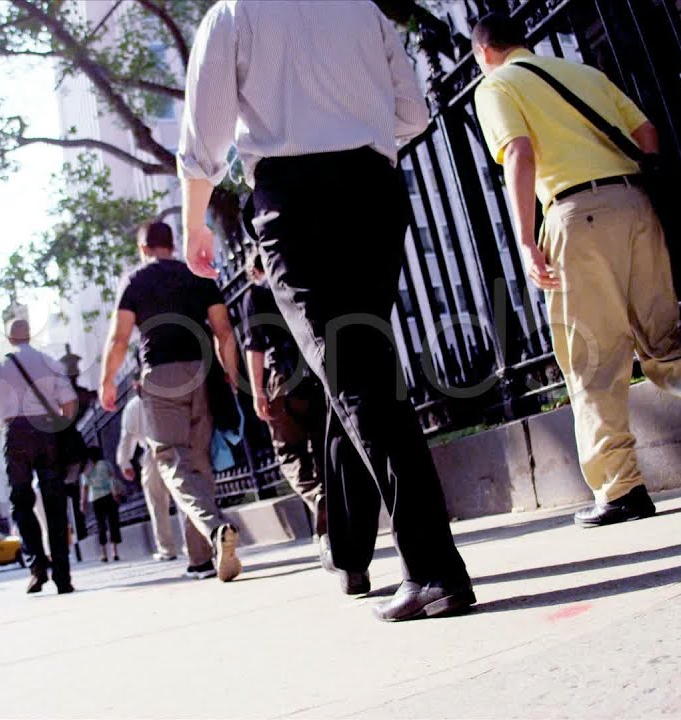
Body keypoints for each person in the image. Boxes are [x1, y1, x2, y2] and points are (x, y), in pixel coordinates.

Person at [178, 0, 473, 621]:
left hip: (296, 202)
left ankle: (435, 569)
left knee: (356, 375)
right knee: (356, 367)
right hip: (375, 192)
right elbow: (414, 113)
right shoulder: (362, 9)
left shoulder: (233, 15)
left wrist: (194, 224)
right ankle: (349, 549)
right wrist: (353, 136)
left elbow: (203, 135)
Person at [469, 14, 681, 527]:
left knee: (593, 358)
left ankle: (620, 489)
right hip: (637, 206)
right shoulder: (581, 74)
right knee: (663, 340)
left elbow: (521, 153)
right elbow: (646, 133)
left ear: (484, 52)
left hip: (576, 215)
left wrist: (527, 241)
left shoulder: (496, 85)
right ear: (522, 40)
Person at [100, 221, 243, 582]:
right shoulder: (198, 275)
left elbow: (119, 338)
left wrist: (106, 381)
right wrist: (231, 373)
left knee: (168, 460)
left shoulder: (135, 281)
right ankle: (201, 560)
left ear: (144, 249)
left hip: (161, 375)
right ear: (171, 244)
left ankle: (214, 528)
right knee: (199, 463)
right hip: (202, 372)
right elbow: (224, 330)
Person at [0, 317, 80, 594]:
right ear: (30, 336)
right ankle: (63, 576)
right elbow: (69, 401)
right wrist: (62, 425)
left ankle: (37, 569)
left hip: (17, 433)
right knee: (54, 504)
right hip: (47, 431)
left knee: (21, 502)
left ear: (10, 339)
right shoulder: (49, 362)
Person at [241, 252, 330, 564]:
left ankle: (314, 495)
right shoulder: (295, 281)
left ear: (254, 271)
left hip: (282, 378)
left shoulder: (254, 295)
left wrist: (256, 392)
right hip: (314, 373)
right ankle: (332, 521)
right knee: (323, 448)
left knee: (289, 452)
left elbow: (254, 346)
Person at [116, 376, 215, 575]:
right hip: (175, 448)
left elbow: (127, 437)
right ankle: (192, 545)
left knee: (157, 504)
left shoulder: (133, 407)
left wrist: (124, 462)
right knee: (184, 498)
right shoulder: (166, 398)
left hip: (151, 454)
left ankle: (166, 548)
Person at [79, 447, 124, 562]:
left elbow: (85, 487)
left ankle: (103, 553)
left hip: (95, 499)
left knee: (101, 525)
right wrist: (116, 493)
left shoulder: (86, 469)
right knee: (113, 522)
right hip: (109, 495)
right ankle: (115, 552)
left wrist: (82, 502)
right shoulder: (105, 464)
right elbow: (113, 479)